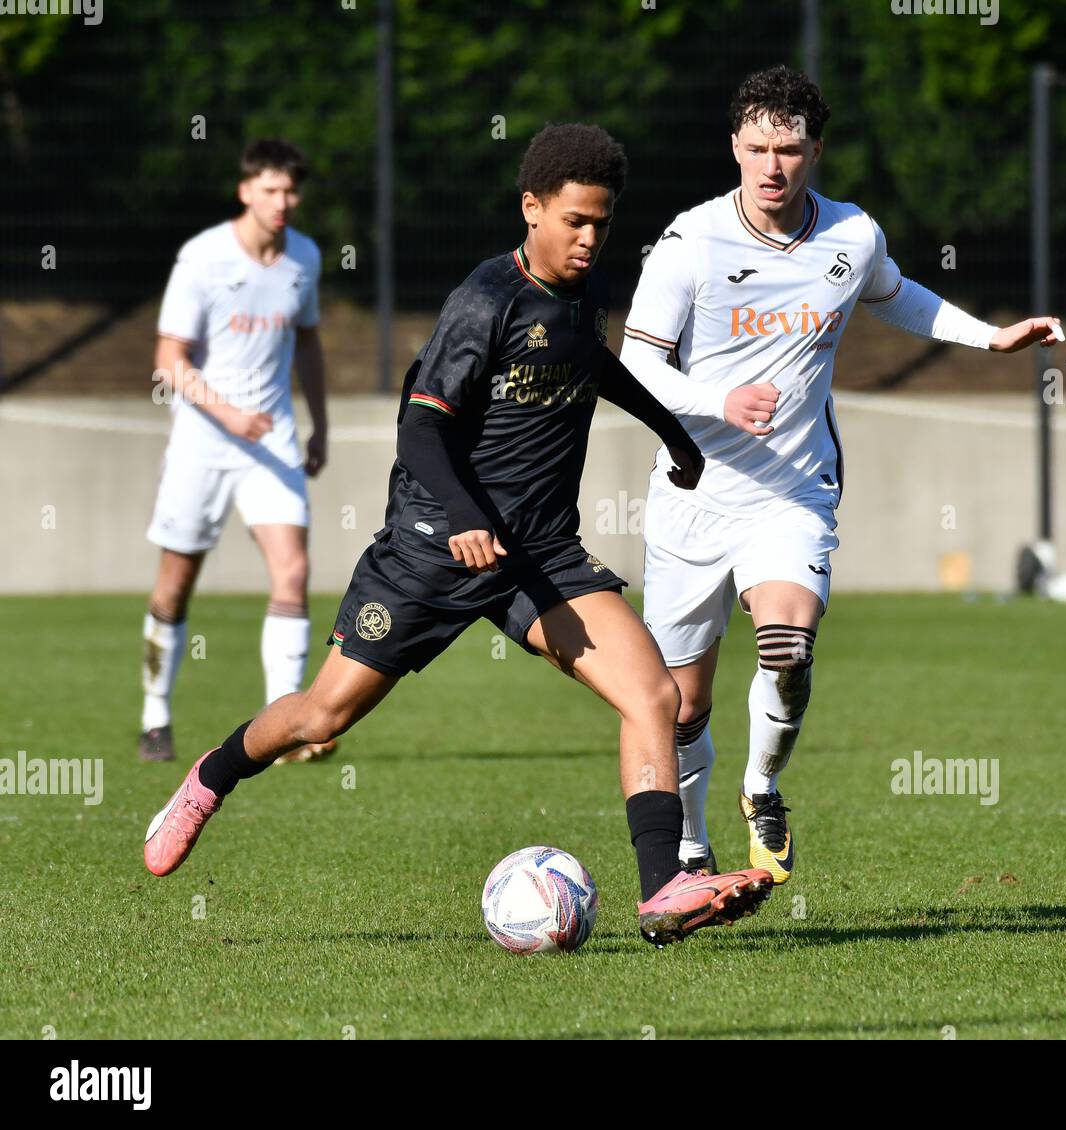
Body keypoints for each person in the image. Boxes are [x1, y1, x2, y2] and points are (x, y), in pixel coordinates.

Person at [143, 123, 773, 948]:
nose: (589, 239)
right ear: (531, 208)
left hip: (539, 555)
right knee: (321, 719)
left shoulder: (583, 292)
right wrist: (468, 520)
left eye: (602, 224)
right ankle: (208, 778)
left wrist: (676, 433)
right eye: (574, 221)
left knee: (653, 692)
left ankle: (664, 889)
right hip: (433, 548)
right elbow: (421, 432)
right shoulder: (484, 302)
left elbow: (594, 361)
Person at [620, 66, 1062, 882]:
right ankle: (688, 841)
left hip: (793, 490)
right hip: (693, 495)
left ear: (815, 150)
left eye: (788, 149)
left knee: (787, 647)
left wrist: (990, 337)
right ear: (734, 148)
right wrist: (719, 397)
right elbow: (638, 364)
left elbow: (896, 296)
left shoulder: (852, 235)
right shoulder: (689, 243)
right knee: (682, 706)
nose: (771, 166)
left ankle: (761, 787)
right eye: (756, 148)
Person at [141, 139, 332, 767]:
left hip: (271, 439)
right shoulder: (201, 258)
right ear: (246, 190)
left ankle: (287, 726)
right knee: (175, 585)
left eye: (292, 191)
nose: (285, 202)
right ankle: (155, 715)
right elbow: (168, 361)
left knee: (294, 572)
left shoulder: (304, 256)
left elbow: (307, 343)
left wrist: (319, 424)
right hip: (204, 440)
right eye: (273, 190)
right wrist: (226, 412)